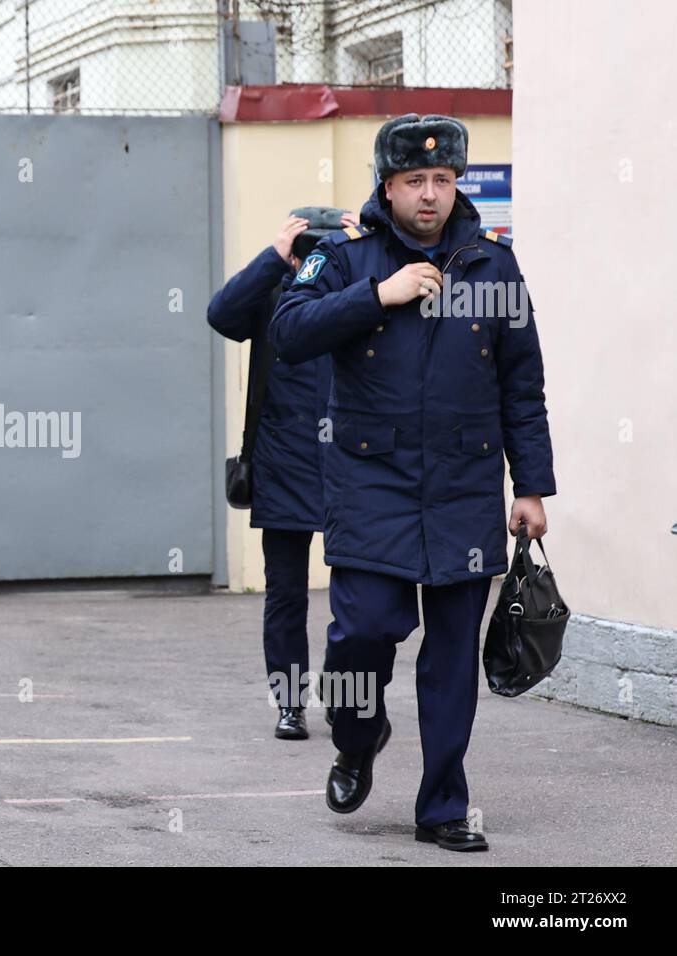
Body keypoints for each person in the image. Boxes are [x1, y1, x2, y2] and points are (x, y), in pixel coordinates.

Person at [271, 114, 554, 852]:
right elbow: (289, 334)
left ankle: (443, 805)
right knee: (361, 633)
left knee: (453, 655)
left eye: (442, 179)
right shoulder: (345, 257)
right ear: (387, 186)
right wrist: (380, 295)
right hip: (371, 483)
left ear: (456, 182)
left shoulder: (492, 266)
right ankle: (356, 738)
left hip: (464, 486)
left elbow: (522, 382)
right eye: (414, 181)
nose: (430, 194)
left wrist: (531, 487)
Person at [207, 207, 354, 740]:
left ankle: (346, 700)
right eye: (308, 242)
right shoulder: (276, 292)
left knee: (354, 597)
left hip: (351, 462)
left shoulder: (356, 288)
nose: (317, 251)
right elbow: (222, 316)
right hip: (284, 462)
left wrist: (363, 247)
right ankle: (289, 703)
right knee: (287, 594)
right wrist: (273, 258)